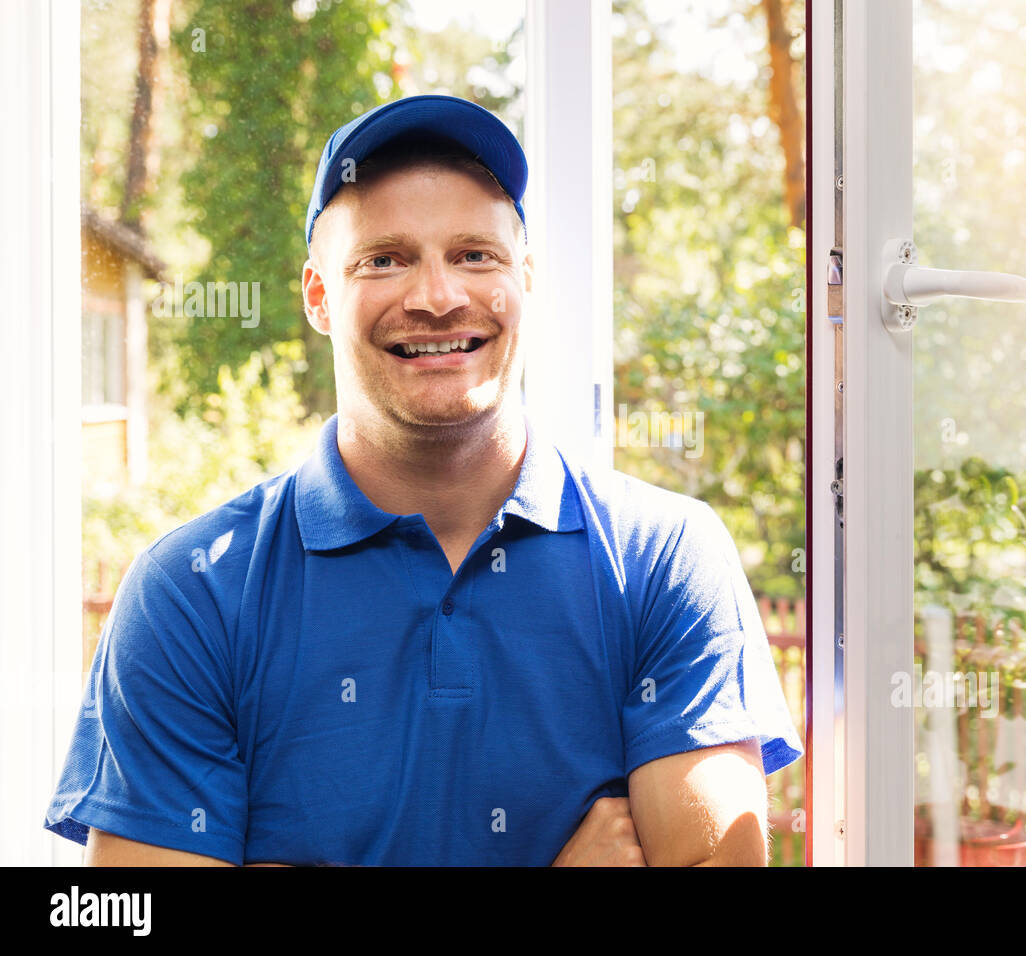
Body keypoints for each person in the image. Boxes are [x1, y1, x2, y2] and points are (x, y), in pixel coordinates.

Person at [45, 94, 803, 866]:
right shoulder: (192, 591)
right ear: (319, 296)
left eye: (476, 255)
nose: (438, 298)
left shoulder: (663, 557)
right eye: (385, 259)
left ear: (526, 280)